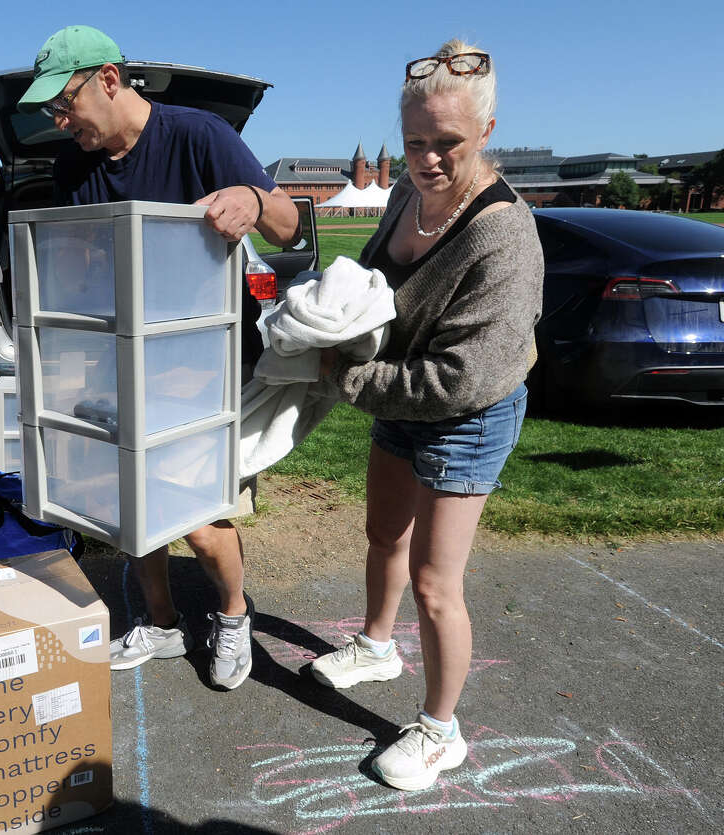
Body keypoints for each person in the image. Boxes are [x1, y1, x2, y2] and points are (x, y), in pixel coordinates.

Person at [17, 26, 300, 691]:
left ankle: (233, 616)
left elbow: (288, 224)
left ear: (108, 80)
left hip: (203, 365)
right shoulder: (73, 168)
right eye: (51, 112)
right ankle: (165, 623)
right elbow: (83, 273)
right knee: (128, 506)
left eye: (64, 105)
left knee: (200, 519)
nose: (59, 122)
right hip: (121, 358)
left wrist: (254, 201)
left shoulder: (198, 136)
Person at [308, 40, 543, 791]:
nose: (429, 159)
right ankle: (378, 645)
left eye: (448, 143)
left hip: (467, 411)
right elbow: (373, 276)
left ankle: (442, 730)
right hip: (402, 389)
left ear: (486, 131)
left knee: (437, 583)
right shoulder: (407, 194)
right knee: (384, 534)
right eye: (415, 143)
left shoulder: (503, 232)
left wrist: (352, 376)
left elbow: (461, 377)